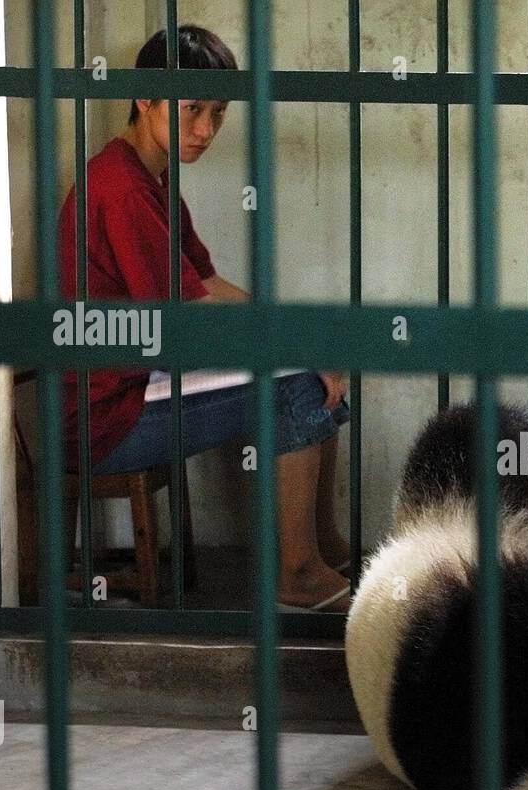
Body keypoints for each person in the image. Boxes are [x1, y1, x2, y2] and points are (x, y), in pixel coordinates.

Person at [58, 25, 352, 612]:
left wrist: (300, 335)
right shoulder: (118, 188)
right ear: (145, 97)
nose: (206, 130)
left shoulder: (153, 181)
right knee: (297, 382)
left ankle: (319, 548)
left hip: (139, 382)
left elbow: (207, 281)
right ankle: (296, 572)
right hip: (107, 417)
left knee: (315, 369)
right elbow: (191, 313)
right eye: (193, 109)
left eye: (216, 113)